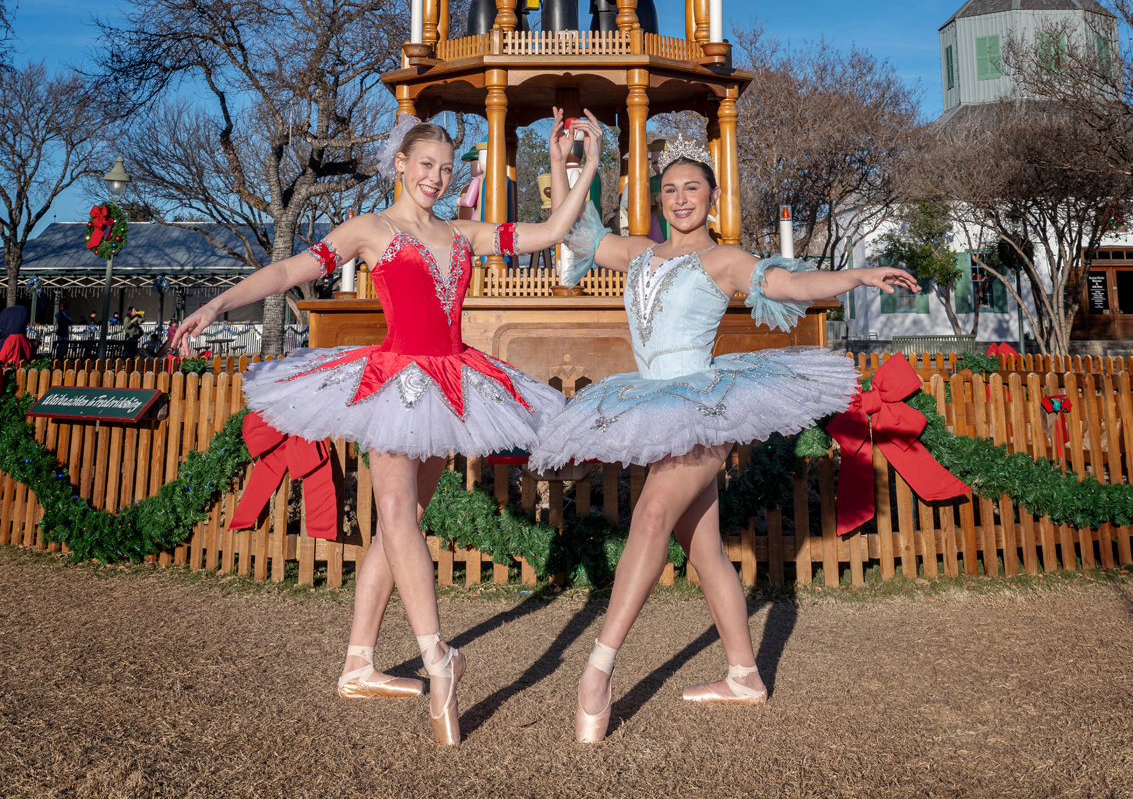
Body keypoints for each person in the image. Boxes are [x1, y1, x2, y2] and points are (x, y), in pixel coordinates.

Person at [173, 115, 605, 746]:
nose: (436, 178)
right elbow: (289, 272)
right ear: (401, 164)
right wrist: (215, 304)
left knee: (397, 526)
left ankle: (358, 664)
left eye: (446, 169)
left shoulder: (462, 232)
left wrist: (584, 164)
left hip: (451, 384)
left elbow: (551, 232)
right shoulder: (371, 229)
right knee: (399, 513)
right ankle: (438, 656)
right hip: (396, 384)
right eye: (426, 165)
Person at [532, 126, 918, 743]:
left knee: (652, 516)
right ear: (658, 199)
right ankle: (745, 675)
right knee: (704, 545)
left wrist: (856, 275)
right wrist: (577, 161)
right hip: (650, 400)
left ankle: (597, 672)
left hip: (705, 407)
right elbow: (572, 229)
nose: (680, 199)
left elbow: (789, 285)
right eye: (669, 190)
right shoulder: (638, 253)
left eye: (692, 188)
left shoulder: (725, 260)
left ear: (712, 196)